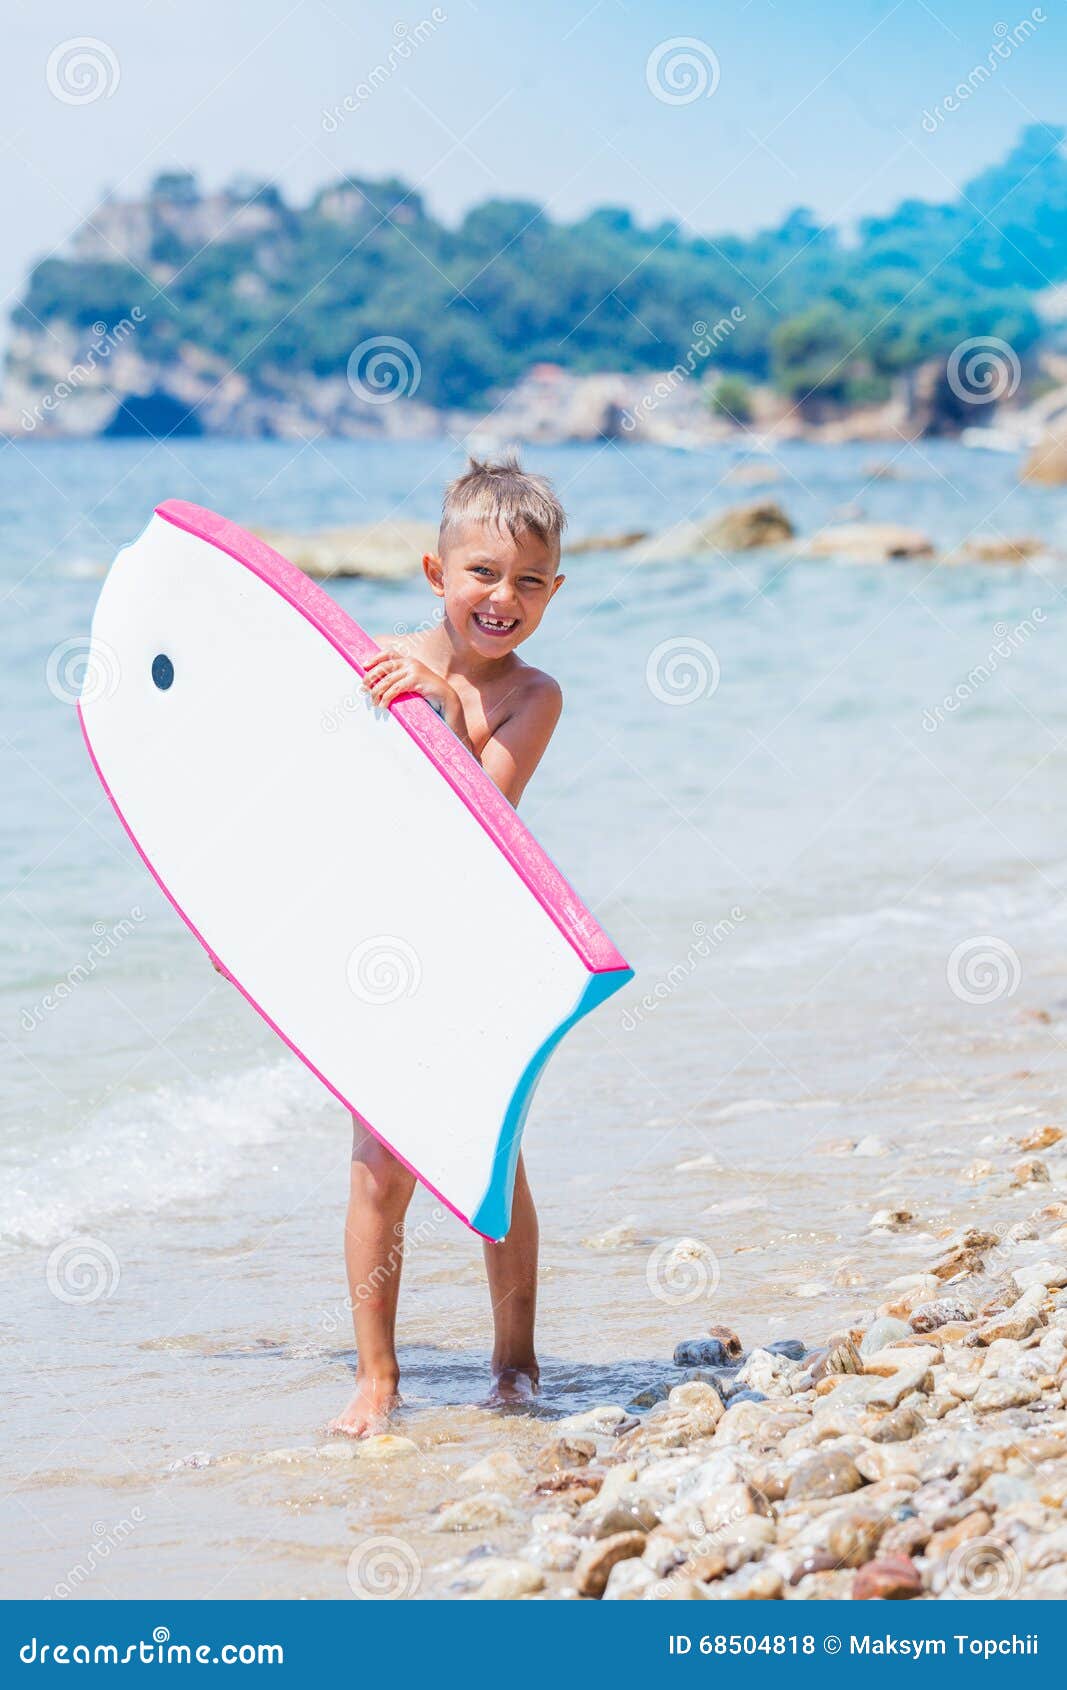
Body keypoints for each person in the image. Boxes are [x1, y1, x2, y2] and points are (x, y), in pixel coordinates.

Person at [328, 452, 567, 1437]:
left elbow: (480, 813)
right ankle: (378, 1374)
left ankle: (513, 1360)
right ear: (436, 574)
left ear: (552, 590)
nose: (499, 597)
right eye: (480, 574)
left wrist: (451, 701)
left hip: (475, 945)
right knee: (378, 1161)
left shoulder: (528, 696)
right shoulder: (371, 659)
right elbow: (304, 801)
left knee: (490, 1157)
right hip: (375, 947)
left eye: (525, 581)